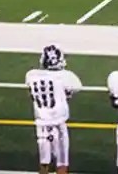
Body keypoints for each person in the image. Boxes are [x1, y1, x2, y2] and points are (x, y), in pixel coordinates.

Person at [26, 44, 83, 174]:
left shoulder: (31, 75)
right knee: (62, 162)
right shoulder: (65, 76)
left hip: (41, 122)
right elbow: (77, 87)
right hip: (58, 122)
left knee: (44, 162)